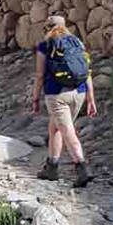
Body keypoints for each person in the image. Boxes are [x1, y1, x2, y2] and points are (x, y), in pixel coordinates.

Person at [31, 15, 96, 187]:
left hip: (57, 95)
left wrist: (35, 98)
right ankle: (51, 167)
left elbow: (39, 75)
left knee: (68, 131)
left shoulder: (45, 46)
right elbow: (87, 71)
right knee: (55, 129)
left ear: (47, 28)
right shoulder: (77, 43)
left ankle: (82, 167)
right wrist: (91, 98)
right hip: (79, 92)